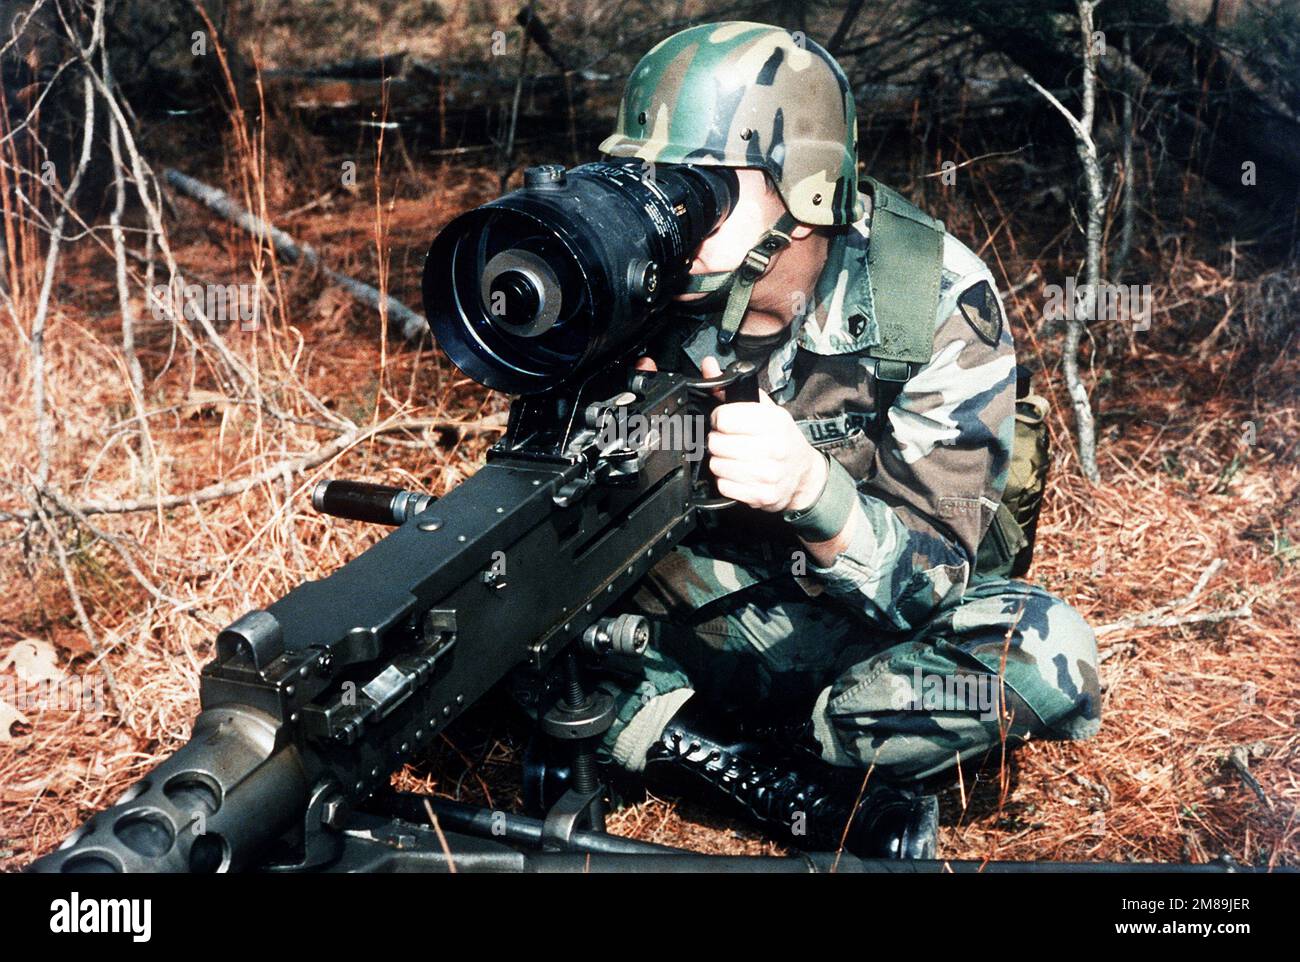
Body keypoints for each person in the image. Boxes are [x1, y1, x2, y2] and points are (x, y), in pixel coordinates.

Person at [562, 20, 1101, 859]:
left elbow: (935, 578)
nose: (668, 208)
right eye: (654, 179)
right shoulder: (633, 274)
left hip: (853, 636)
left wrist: (817, 496)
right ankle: (695, 748)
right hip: (670, 606)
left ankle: (767, 752)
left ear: (807, 188)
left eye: (703, 186)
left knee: (1043, 653)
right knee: (481, 605)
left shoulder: (932, 299)